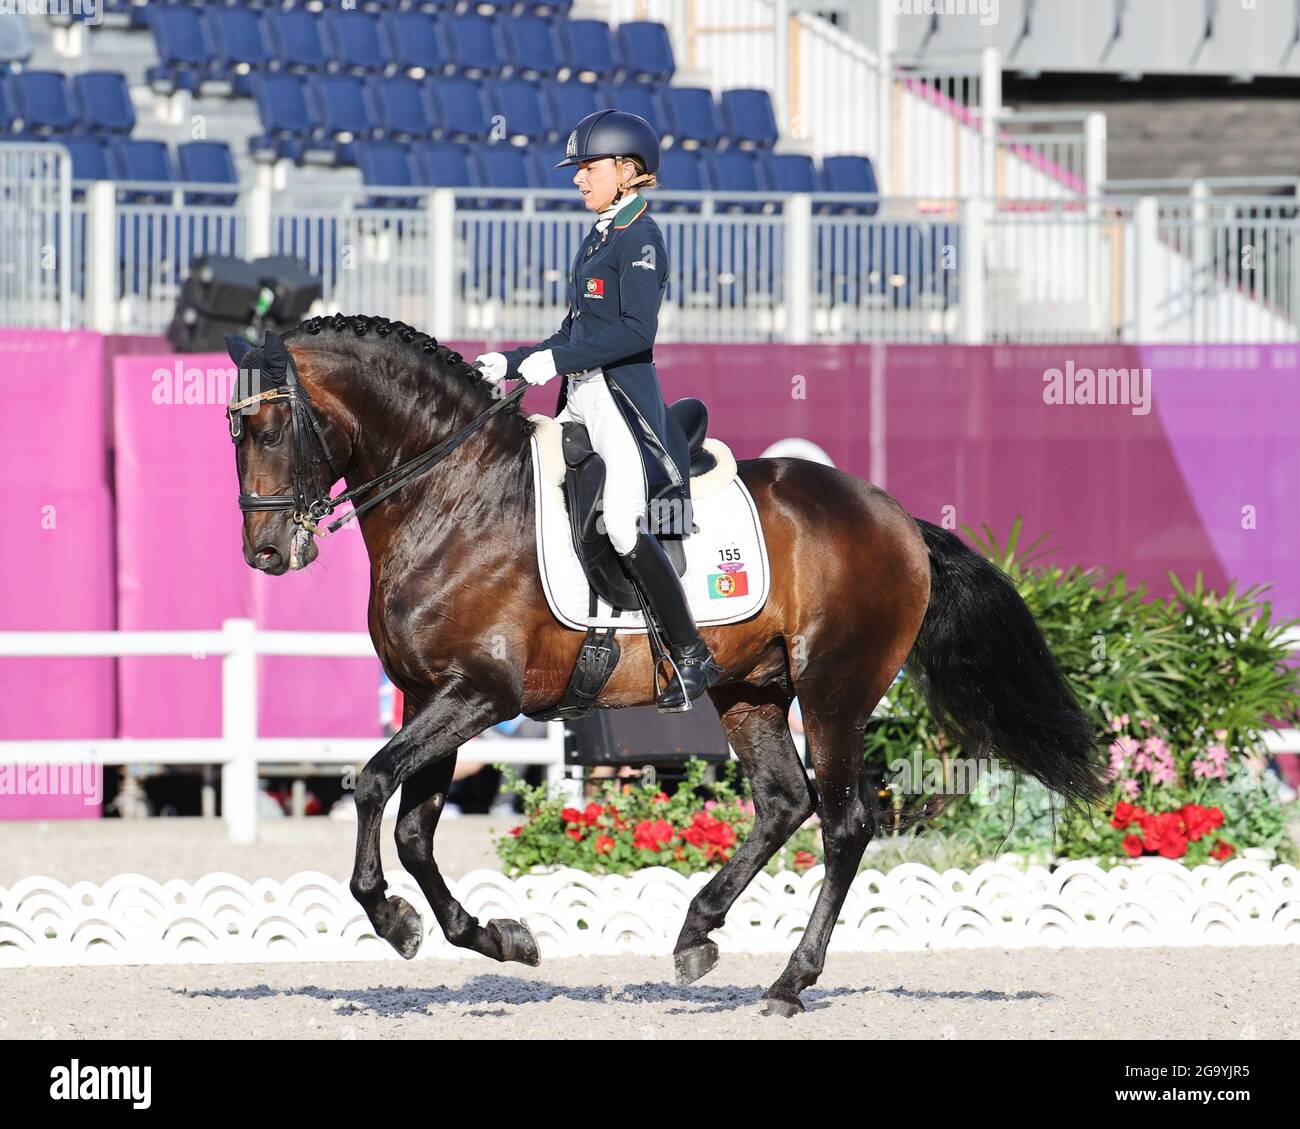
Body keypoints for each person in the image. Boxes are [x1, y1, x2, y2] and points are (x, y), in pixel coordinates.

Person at [474, 110, 720, 712]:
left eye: (589, 167)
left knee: (621, 522)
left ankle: (691, 655)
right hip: (581, 395)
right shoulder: (602, 234)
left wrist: (551, 363)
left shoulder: (641, 238)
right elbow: (575, 330)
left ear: (628, 171)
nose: (579, 179)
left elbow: (635, 332)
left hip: (619, 400)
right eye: (579, 169)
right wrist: (510, 360)